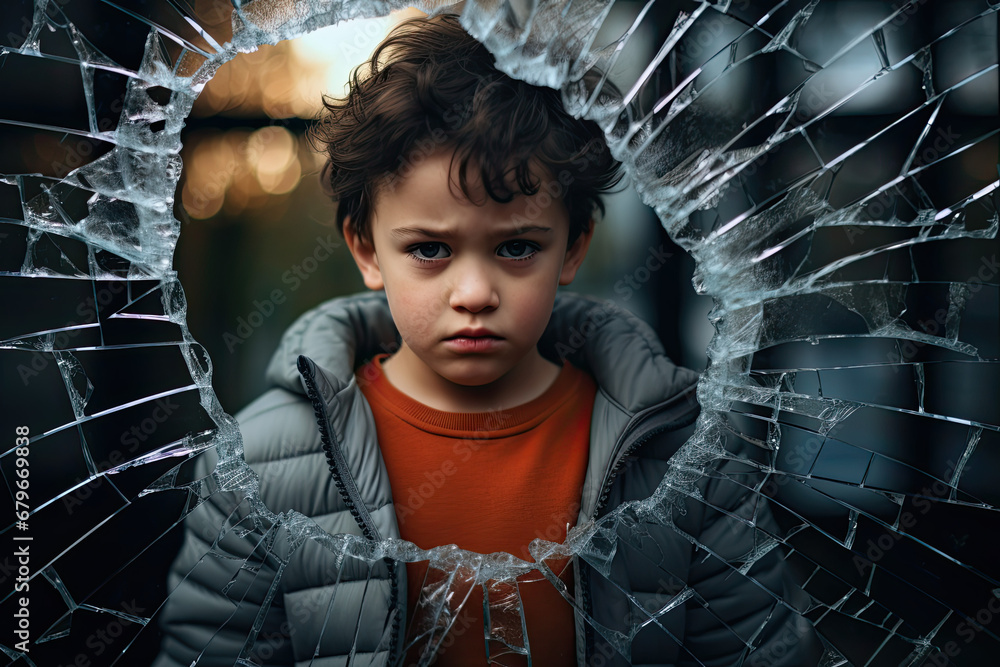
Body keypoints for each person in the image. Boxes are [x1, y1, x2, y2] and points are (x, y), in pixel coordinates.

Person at [155, 11, 818, 667]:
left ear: (572, 248)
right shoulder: (263, 461)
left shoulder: (680, 448)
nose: (474, 292)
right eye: (431, 249)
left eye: (518, 246)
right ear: (365, 248)